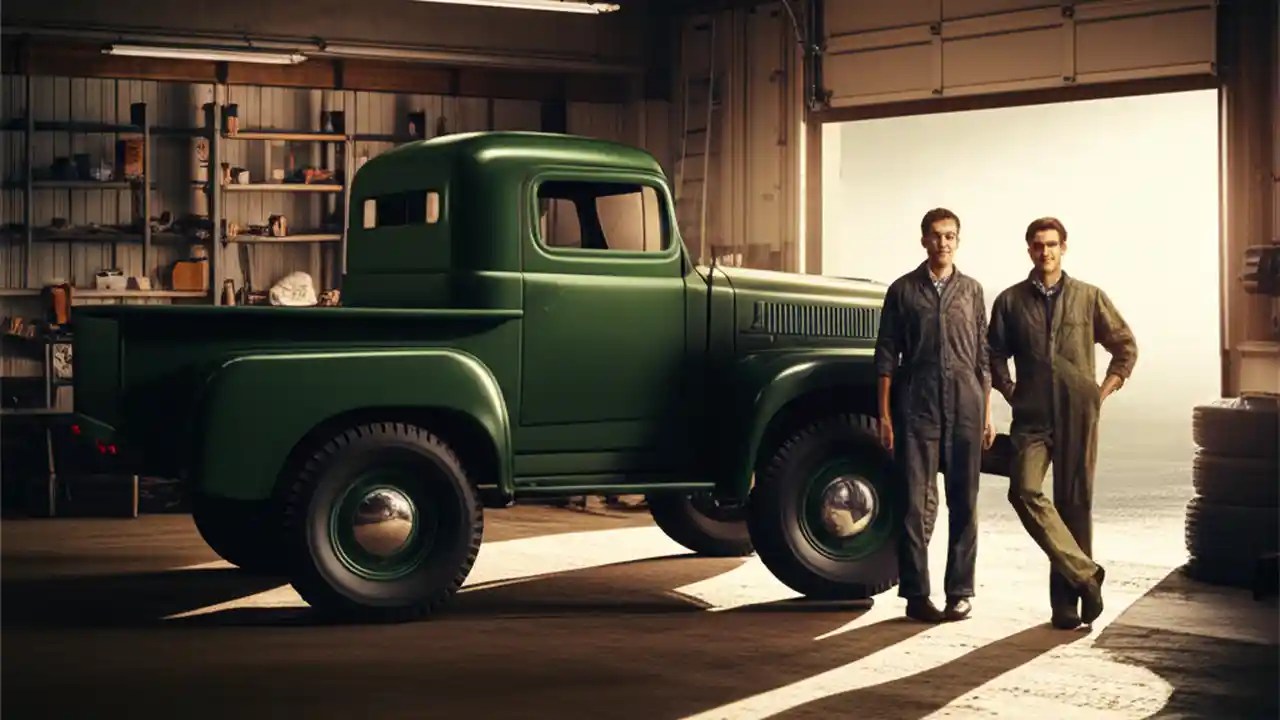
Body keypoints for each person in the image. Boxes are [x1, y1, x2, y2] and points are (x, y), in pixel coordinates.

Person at [987, 216, 1138, 630]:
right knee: (1025, 490)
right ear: (1029, 250)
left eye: (1052, 244)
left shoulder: (1089, 297)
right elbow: (993, 353)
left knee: (1074, 505)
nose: (1045, 251)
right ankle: (1087, 574)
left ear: (1064, 247)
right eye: (1038, 245)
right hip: (1031, 416)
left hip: (1078, 413)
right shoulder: (1011, 301)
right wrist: (1008, 389)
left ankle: (1066, 605)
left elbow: (1125, 347)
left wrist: (1100, 392)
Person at [874, 208, 996, 624]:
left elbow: (983, 357)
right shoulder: (903, 291)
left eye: (950, 236)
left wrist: (987, 414)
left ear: (958, 241)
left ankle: (960, 592)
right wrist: (885, 415)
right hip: (917, 405)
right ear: (923, 240)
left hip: (966, 405)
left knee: (965, 503)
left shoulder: (974, 291)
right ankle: (916, 594)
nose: (943, 243)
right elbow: (886, 355)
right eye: (936, 236)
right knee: (914, 503)